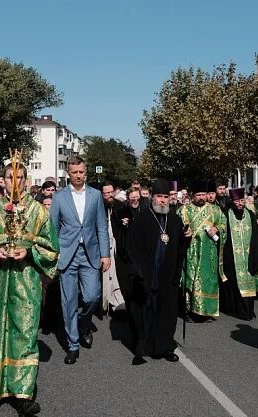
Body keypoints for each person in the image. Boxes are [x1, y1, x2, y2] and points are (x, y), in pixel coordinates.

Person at [0, 162, 58, 416]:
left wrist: (29, 251)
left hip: (26, 281)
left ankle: (23, 393)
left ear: (26, 181)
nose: (14, 181)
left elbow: (52, 250)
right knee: (1, 330)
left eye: (19, 177)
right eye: (9, 177)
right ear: (2, 181)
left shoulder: (38, 212)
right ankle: (3, 386)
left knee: (25, 333)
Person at [50, 156, 110, 365]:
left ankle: (84, 325)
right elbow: (54, 228)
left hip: (90, 253)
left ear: (86, 172)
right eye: (74, 172)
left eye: (81, 172)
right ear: (68, 173)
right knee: (68, 301)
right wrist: (54, 254)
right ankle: (73, 344)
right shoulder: (59, 197)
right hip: (67, 254)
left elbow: (101, 226)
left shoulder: (95, 196)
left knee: (92, 296)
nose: (78, 175)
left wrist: (105, 254)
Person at [125, 179, 185, 365]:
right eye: (159, 196)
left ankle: (165, 346)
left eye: (166, 197)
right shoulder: (142, 219)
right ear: (152, 197)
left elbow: (180, 247)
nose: (163, 201)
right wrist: (139, 272)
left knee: (166, 311)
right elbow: (131, 248)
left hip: (167, 275)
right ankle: (142, 348)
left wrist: (187, 239)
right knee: (146, 311)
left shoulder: (175, 220)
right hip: (147, 275)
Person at [178, 180, 226, 321]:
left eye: (203, 194)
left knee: (208, 280)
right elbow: (178, 228)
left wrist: (217, 229)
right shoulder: (184, 210)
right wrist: (184, 233)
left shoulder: (215, 210)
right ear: (193, 196)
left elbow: (223, 224)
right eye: (198, 195)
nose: (201, 197)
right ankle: (189, 311)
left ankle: (207, 310)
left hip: (208, 252)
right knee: (190, 280)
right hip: (190, 252)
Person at [219, 187, 258, 320]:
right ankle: (236, 310)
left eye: (242, 201)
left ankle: (248, 310)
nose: (240, 203)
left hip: (248, 256)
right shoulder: (226, 213)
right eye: (237, 201)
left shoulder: (249, 214)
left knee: (249, 280)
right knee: (233, 282)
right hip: (231, 256)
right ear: (232, 201)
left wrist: (256, 254)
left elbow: (256, 235)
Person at [100, 182, 125, 315]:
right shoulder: (98, 207)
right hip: (103, 246)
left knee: (116, 275)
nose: (110, 195)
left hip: (117, 244)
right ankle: (104, 304)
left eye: (111, 192)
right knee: (104, 275)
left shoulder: (120, 205)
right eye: (106, 193)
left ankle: (117, 304)